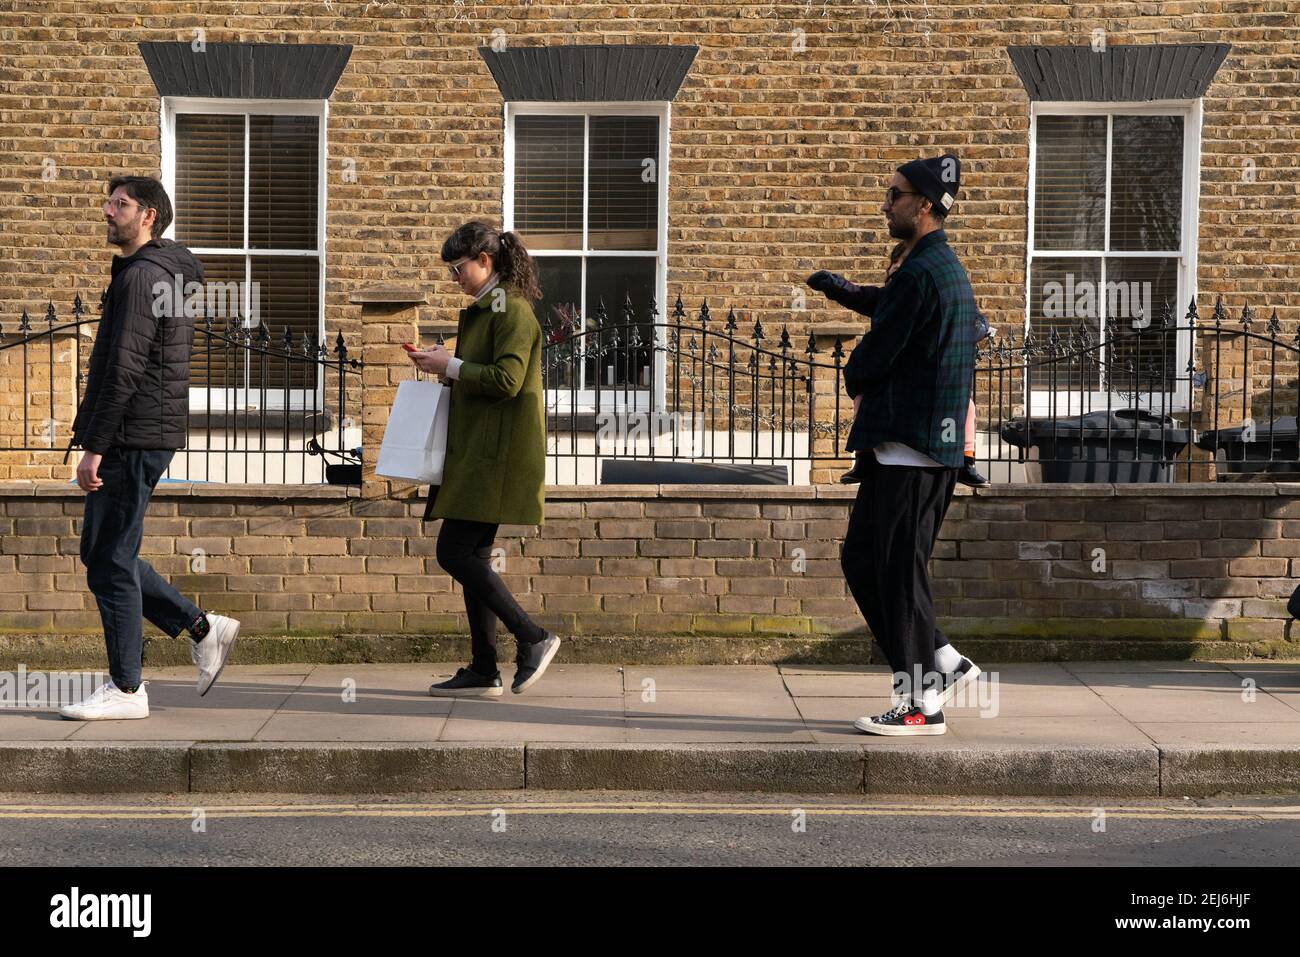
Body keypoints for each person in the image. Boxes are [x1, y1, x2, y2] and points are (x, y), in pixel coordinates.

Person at [807, 154, 983, 736]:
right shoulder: (935, 267)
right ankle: (941, 659)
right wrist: (843, 291)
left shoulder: (922, 272)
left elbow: (877, 353)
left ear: (925, 205)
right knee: (863, 560)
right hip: (912, 451)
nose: (887, 204)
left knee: (901, 576)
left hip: (914, 449)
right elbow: (894, 310)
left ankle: (919, 703)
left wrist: (856, 373)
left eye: (896, 195)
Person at [60, 176, 240, 721]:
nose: (108, 210)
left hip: (132, 434)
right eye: (108, 201)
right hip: (141, 432)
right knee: (104, 555)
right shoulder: (159, 272)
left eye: (121, 204)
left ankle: (127, 688)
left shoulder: (142, 278)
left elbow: (124, 369)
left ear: (149, 217)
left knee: (109, 559)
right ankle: (203, 627)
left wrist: (94, 445)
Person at [410, 221, 560, 697]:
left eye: (458, 268)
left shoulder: (512, 310)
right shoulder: (488, 308)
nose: (454, 276)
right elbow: (481, 375)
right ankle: (483, 668)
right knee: (471, 555)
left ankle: (533, 636)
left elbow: (508, 380)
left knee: (453, 552)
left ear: (485, 260)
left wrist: (450, 365)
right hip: (478, 452)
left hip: (496, 458)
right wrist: (444, 362)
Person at [840, 241, 989, 487]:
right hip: (893, 376)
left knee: (968, 407)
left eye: (904, 263)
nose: (898, 268)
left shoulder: (933, 290)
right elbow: (863, 297)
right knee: (862, 402)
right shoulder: (893, 295)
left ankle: (967, 460)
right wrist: (836, 286)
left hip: (931, 377)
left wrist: (977, 329)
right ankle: (863, 456)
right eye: (895, 264)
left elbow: (972, 319)